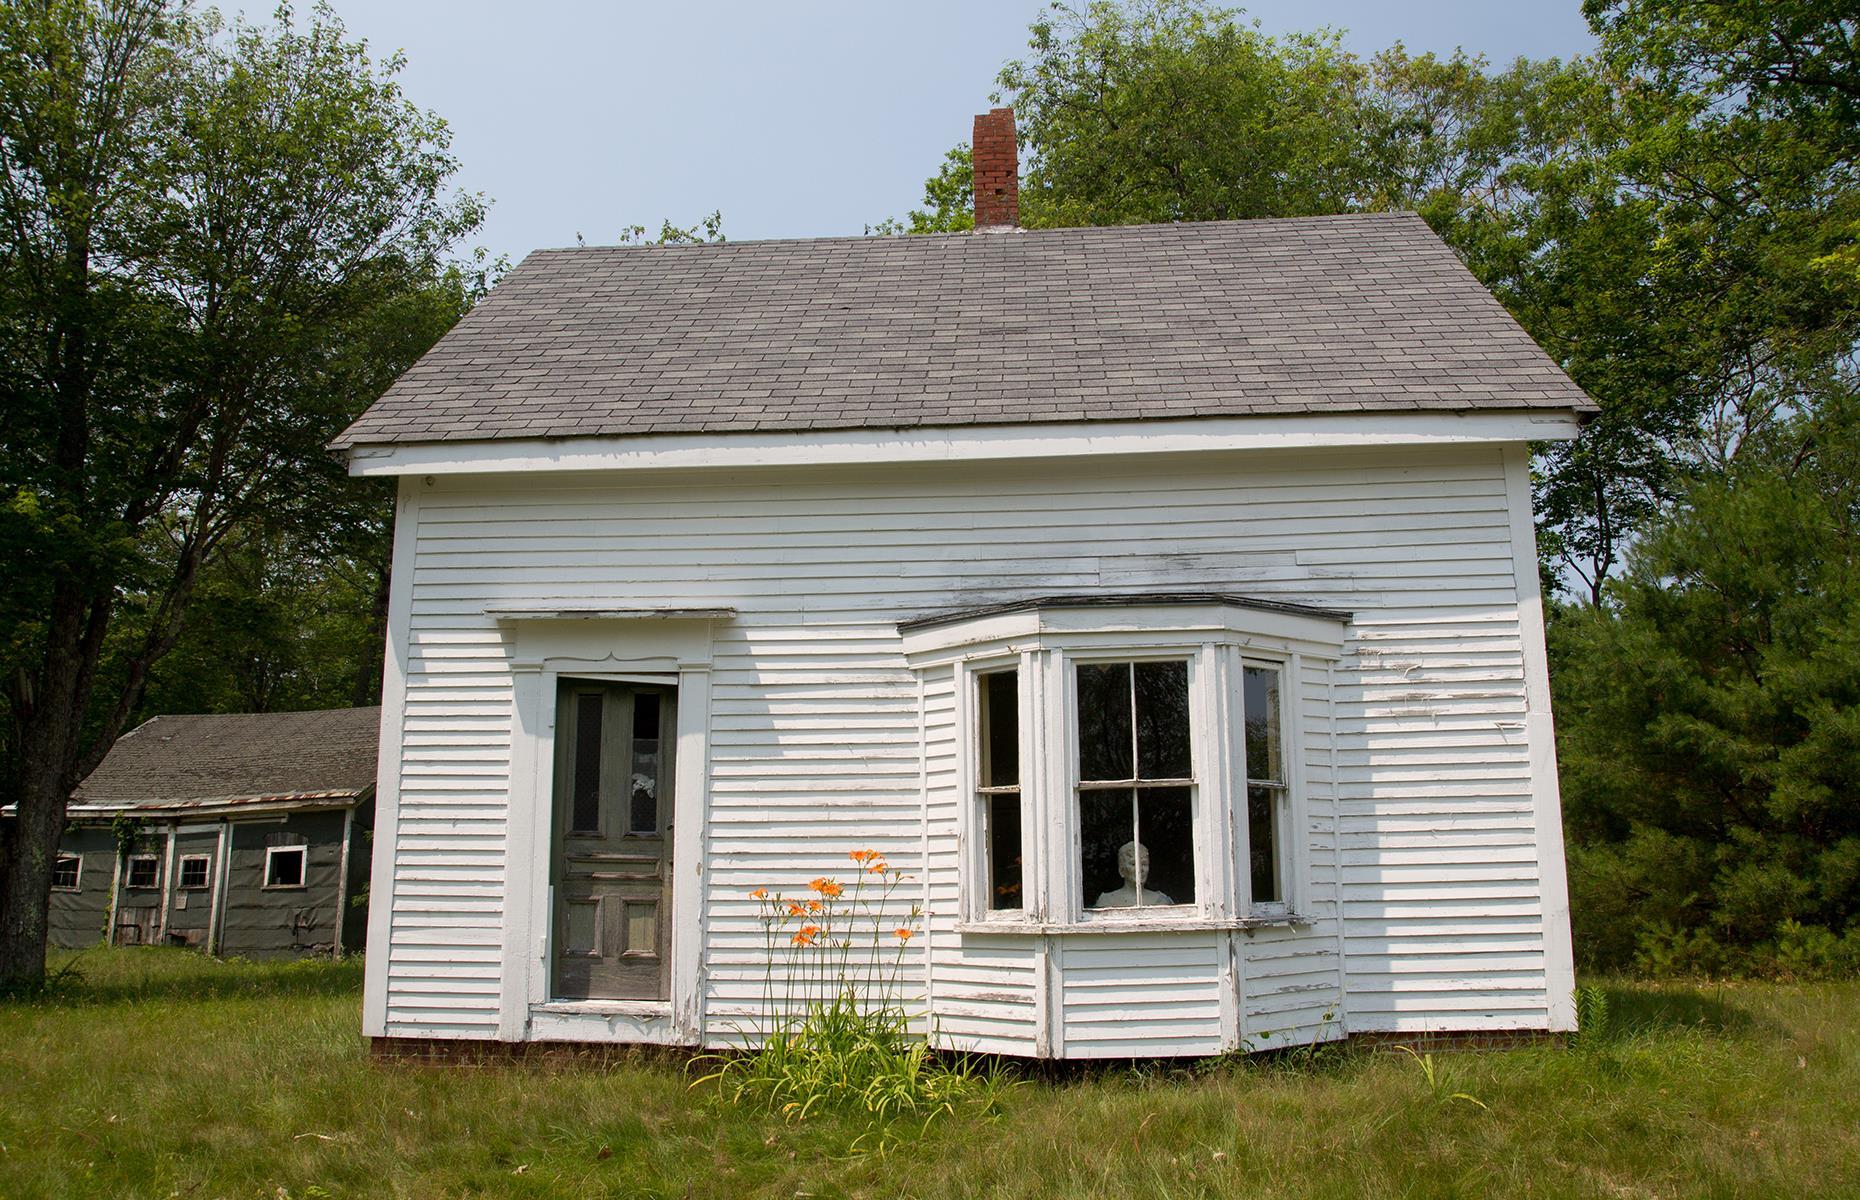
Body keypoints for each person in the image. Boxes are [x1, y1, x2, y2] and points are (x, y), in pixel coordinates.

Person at [1093, 840, 1174, 907]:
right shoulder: (1106, 901)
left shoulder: (1162, 901)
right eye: (1133, 864)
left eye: (1144, 864)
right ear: (1121, 870)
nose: (1140, 869)